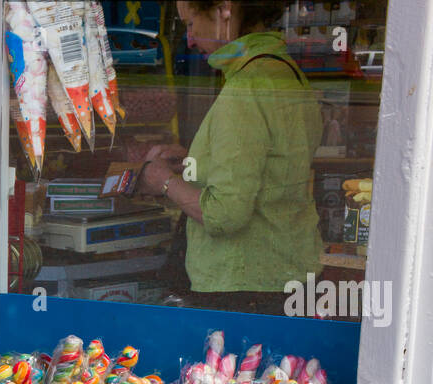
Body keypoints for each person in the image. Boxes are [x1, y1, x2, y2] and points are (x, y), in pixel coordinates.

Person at [137, 1, 322, 315]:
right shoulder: (285, 71)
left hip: (245, 286)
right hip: (290, 272)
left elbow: (225, 214)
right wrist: (194, 161)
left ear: (224, 10)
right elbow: (273, 164)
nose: (190, 40)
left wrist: (163, 181)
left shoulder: (245, 87)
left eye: (191, 24)